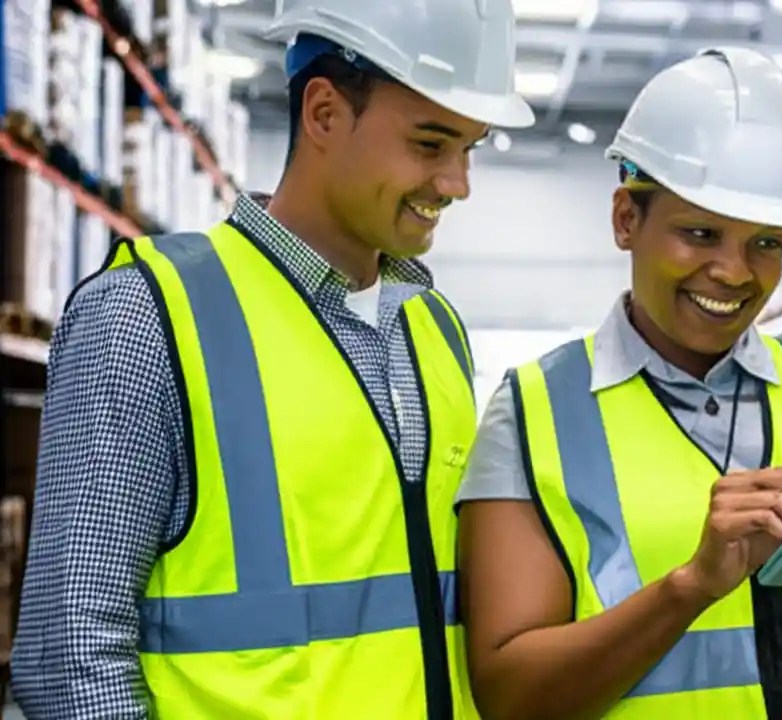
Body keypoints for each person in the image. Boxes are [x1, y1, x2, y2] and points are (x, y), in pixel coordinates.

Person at [10, 2, 533, 718]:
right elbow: (70, 656)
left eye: (471, 148)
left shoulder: (433, 326)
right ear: (323, 113)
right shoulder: (148, 317)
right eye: (431, 143)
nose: (458, 183)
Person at [454, 47, 782, 720]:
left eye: (766, 243)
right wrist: (691, 586)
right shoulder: (533, 413)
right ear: (625, 220)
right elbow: (510, 698)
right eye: (700, 234)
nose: (733, 272)